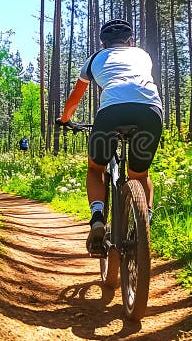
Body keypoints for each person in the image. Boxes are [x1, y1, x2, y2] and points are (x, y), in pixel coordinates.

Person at [56, 19, 163, 255]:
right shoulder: (142, 55)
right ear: (130, 42)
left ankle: (97, 218)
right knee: (140, 175)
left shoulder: (94, 59)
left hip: (111, 113)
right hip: (150, 113)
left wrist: (64, 120)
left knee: (96, 169)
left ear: (103, 44)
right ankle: (144, 223)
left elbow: (75, 98)